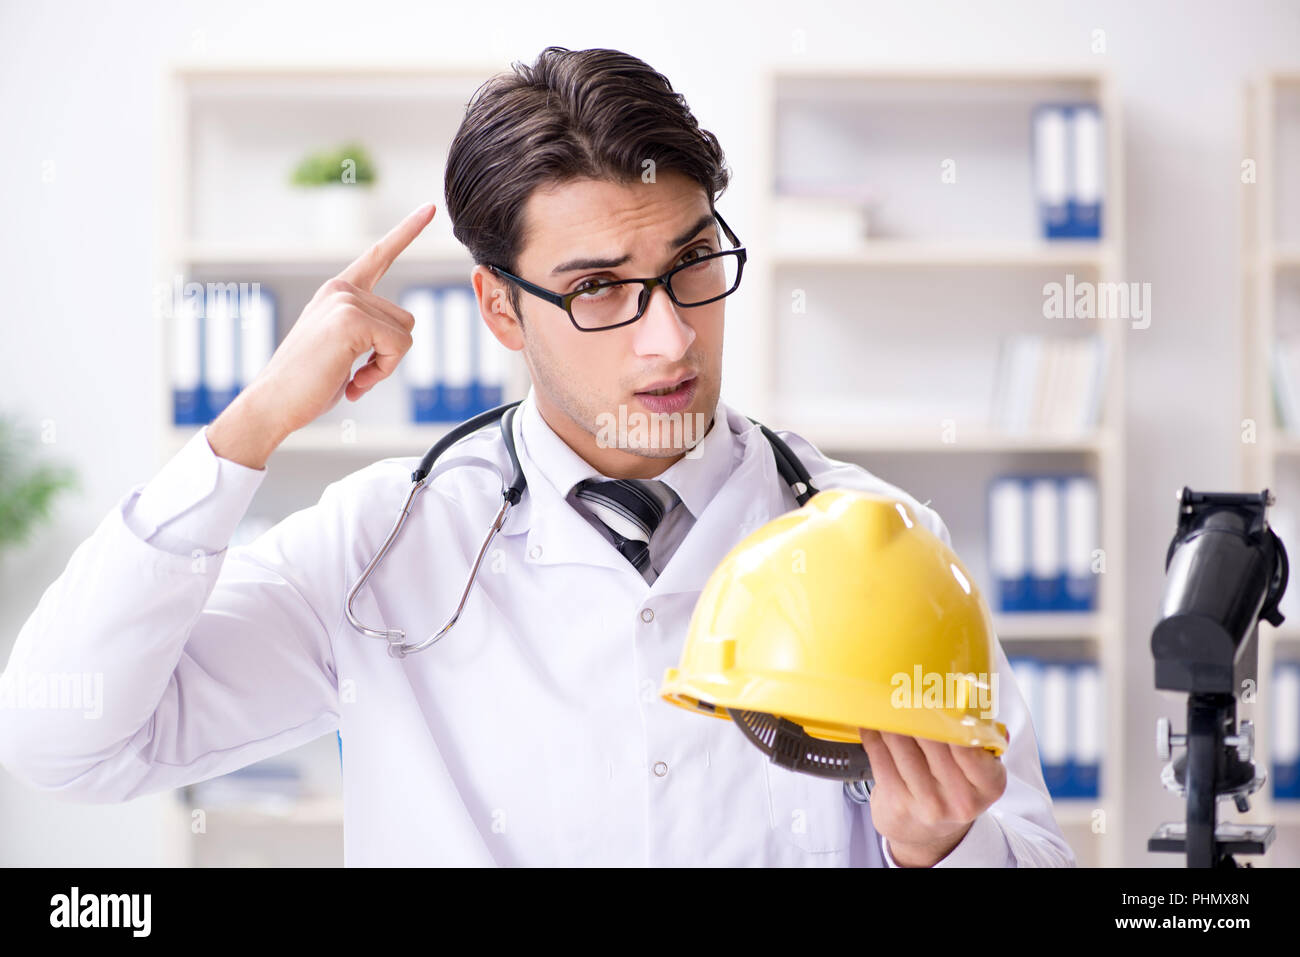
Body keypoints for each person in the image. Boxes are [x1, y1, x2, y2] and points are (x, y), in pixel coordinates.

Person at [0, 46, 1074, 867]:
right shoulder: (381, 545)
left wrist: (935, 849)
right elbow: (65, 743)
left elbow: (1030, 850)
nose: (670, 338)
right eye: (599, 287)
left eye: (692, 263)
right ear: (501, 310)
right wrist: (255, 426)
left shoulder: (885, 544)